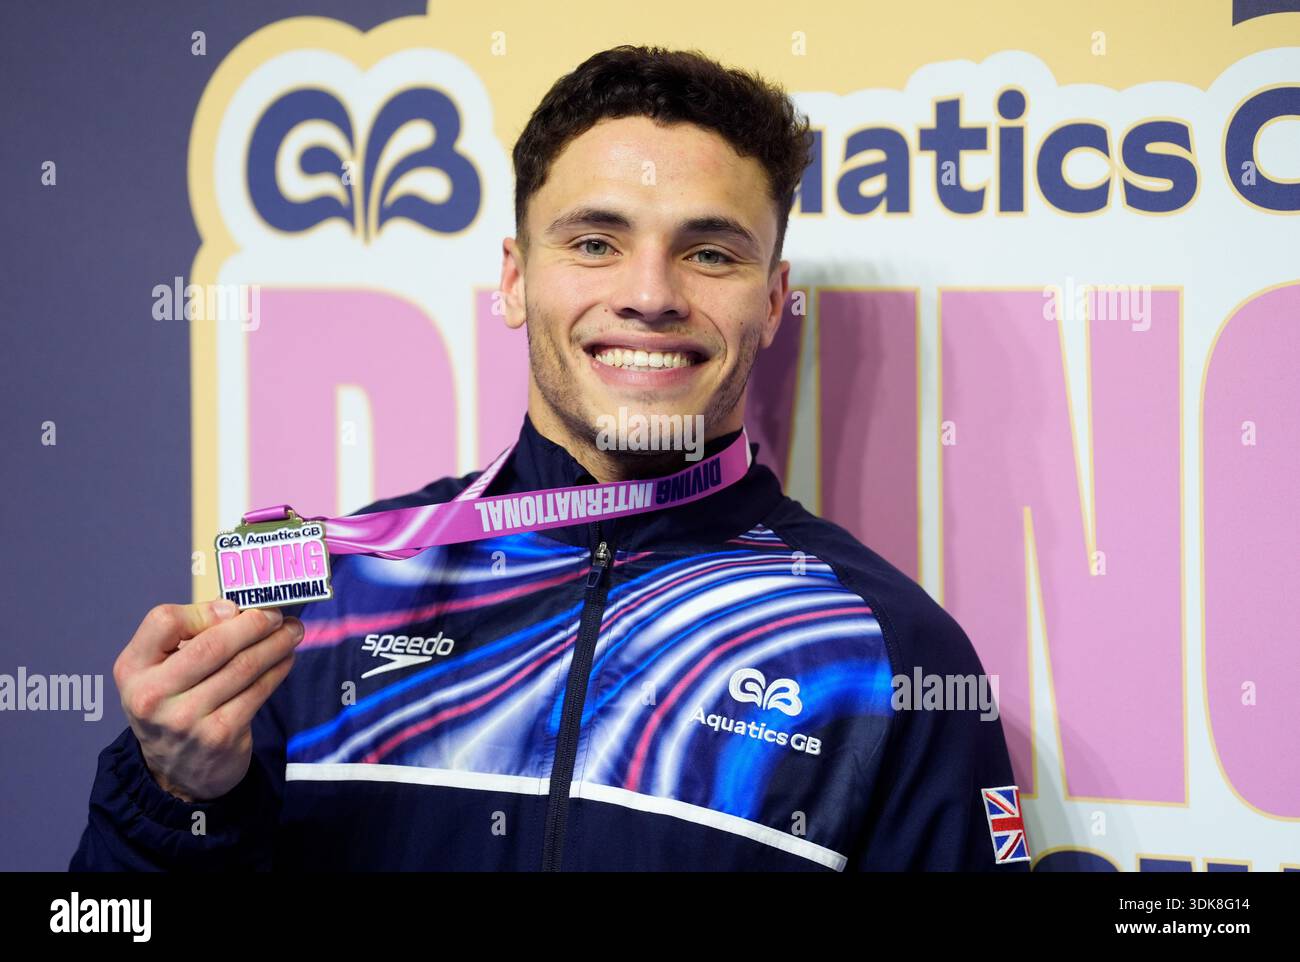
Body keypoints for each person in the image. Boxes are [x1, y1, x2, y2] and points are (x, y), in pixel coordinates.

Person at [71, 44, 1028, 871]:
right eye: (597, 242)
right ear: (516, 280)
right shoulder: (326, 605)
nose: (649, 295)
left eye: (710, 254)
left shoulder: (893, 658)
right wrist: (174, 798)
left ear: (773, 301)